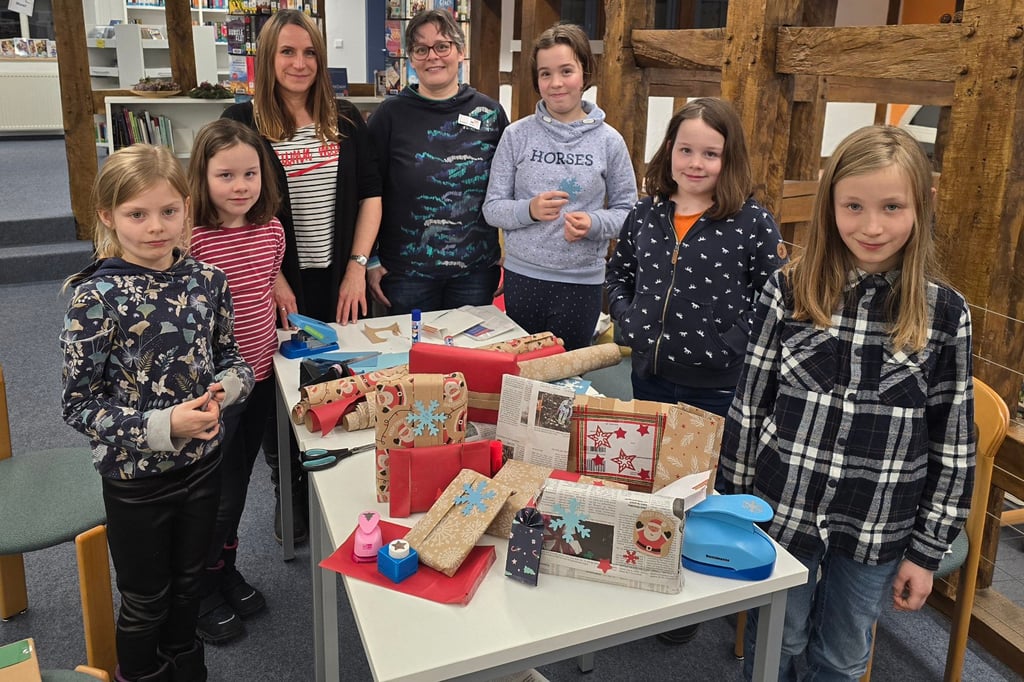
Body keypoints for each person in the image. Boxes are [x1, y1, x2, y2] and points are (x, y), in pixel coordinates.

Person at [716, 125, 975, 680]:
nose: (872, 226)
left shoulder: (946, 315)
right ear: (830, 203)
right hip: (781, 514)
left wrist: (927, 552)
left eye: (891, 207)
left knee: (844, 653)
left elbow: (952, 446)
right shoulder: (788, 291)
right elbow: (749, 405)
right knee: (777, 642)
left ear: (920, 207)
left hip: (879, 525)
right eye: (853, 206)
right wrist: (733, 511)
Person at [60, 144, 254, 682]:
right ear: (108, 217)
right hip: (136, 481)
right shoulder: (93, 297)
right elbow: (79, 405)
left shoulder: (208, 280)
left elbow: (234, 358)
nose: (155, 227)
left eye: (169, 211)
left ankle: (188, 671)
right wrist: (165, 426)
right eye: (136, 214)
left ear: (187, 209)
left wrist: (226, 388)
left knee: (191, 583)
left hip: (202, 465)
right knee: (146, 598)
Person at [222, 8, 382, 543]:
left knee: (341, 378)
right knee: (278, 391)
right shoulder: (241, 121)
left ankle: (336, 487)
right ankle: (287, 490)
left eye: (309, 52)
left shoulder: (347, 119)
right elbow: (232, 211)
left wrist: (358, 268)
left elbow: (370, 197)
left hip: (338, 275)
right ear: (267, 59)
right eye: (286, 52)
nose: (298, 63)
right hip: (273, 280)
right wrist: (272, 279)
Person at [606, 97, 786, 414]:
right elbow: (619, 273)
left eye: (710, 154)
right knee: (650, 461)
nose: (695, 163)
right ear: (671, 149)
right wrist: (629, 316)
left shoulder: (752, 222)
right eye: (686, 150)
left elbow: (777, 294)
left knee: (701, 466)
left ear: (729, 158)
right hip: (648, 376)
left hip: (715, 388)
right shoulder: (645, 212)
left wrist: (730, 343)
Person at [483, 22, 637, 351]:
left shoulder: (610, 141)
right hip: (523, 278)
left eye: (566, 71)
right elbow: (492, 207)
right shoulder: (516, 136)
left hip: (581, 283)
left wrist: (594, 224)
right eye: (545, 74)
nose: (556, 84)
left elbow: (629, 214)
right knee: (520, 378)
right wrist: (529, 210)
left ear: (585, 71)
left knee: (569, 380)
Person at [188, 119, 282, 644]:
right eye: (225, 175)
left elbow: (266, 285)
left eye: (249, 173)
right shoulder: (189, 239)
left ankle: (223, 568)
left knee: (240, 486)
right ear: (201, 178)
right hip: (215, 393)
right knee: (214, 495)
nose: (240, 186)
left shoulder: (270, 230)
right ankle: (198, 587)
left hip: (262, 378)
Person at [367, 8, 509, 314]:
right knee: (413, 359)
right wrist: (371, 259)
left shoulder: (490, 114)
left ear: (460, 51)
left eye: (442, 46)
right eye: (421, 49)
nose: (433, 56)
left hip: (476, 270)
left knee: (469, 359)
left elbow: (509, 186)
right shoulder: (389, 115)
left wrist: (511, 249)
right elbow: (368, 190)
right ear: (411, 57)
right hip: (406, 274)